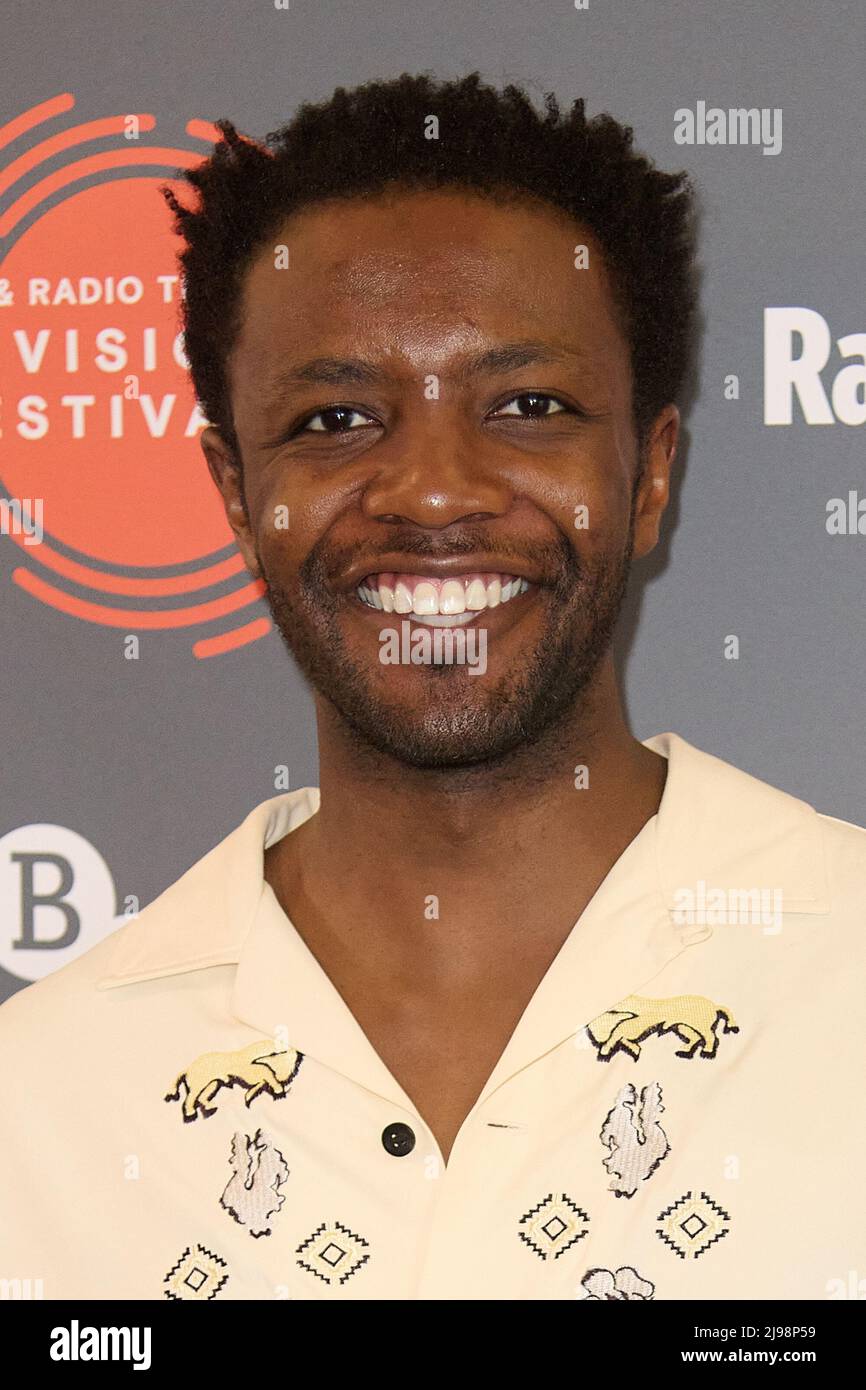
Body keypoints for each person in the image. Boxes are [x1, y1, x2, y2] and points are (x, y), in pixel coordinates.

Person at [1, 72, 863, 1303]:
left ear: (650, 473)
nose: (433, 490)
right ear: (239, 499)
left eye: (527, 405)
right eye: (337, 416)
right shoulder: (39, 1109)